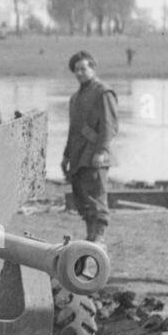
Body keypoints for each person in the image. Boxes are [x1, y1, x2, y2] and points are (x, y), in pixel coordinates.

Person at [61, 51, 118, 246]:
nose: (80, 73)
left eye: (83, 69)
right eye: (76, 70)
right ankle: (91, 235)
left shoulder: (103, 92)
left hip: (95, 154)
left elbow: (110, 125)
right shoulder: (75, 98)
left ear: (93, 68)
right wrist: (66, 155)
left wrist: (102, 151)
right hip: (78, 155)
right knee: (83, 196)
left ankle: (99, 237)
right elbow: (73, 129)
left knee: (96, 196)